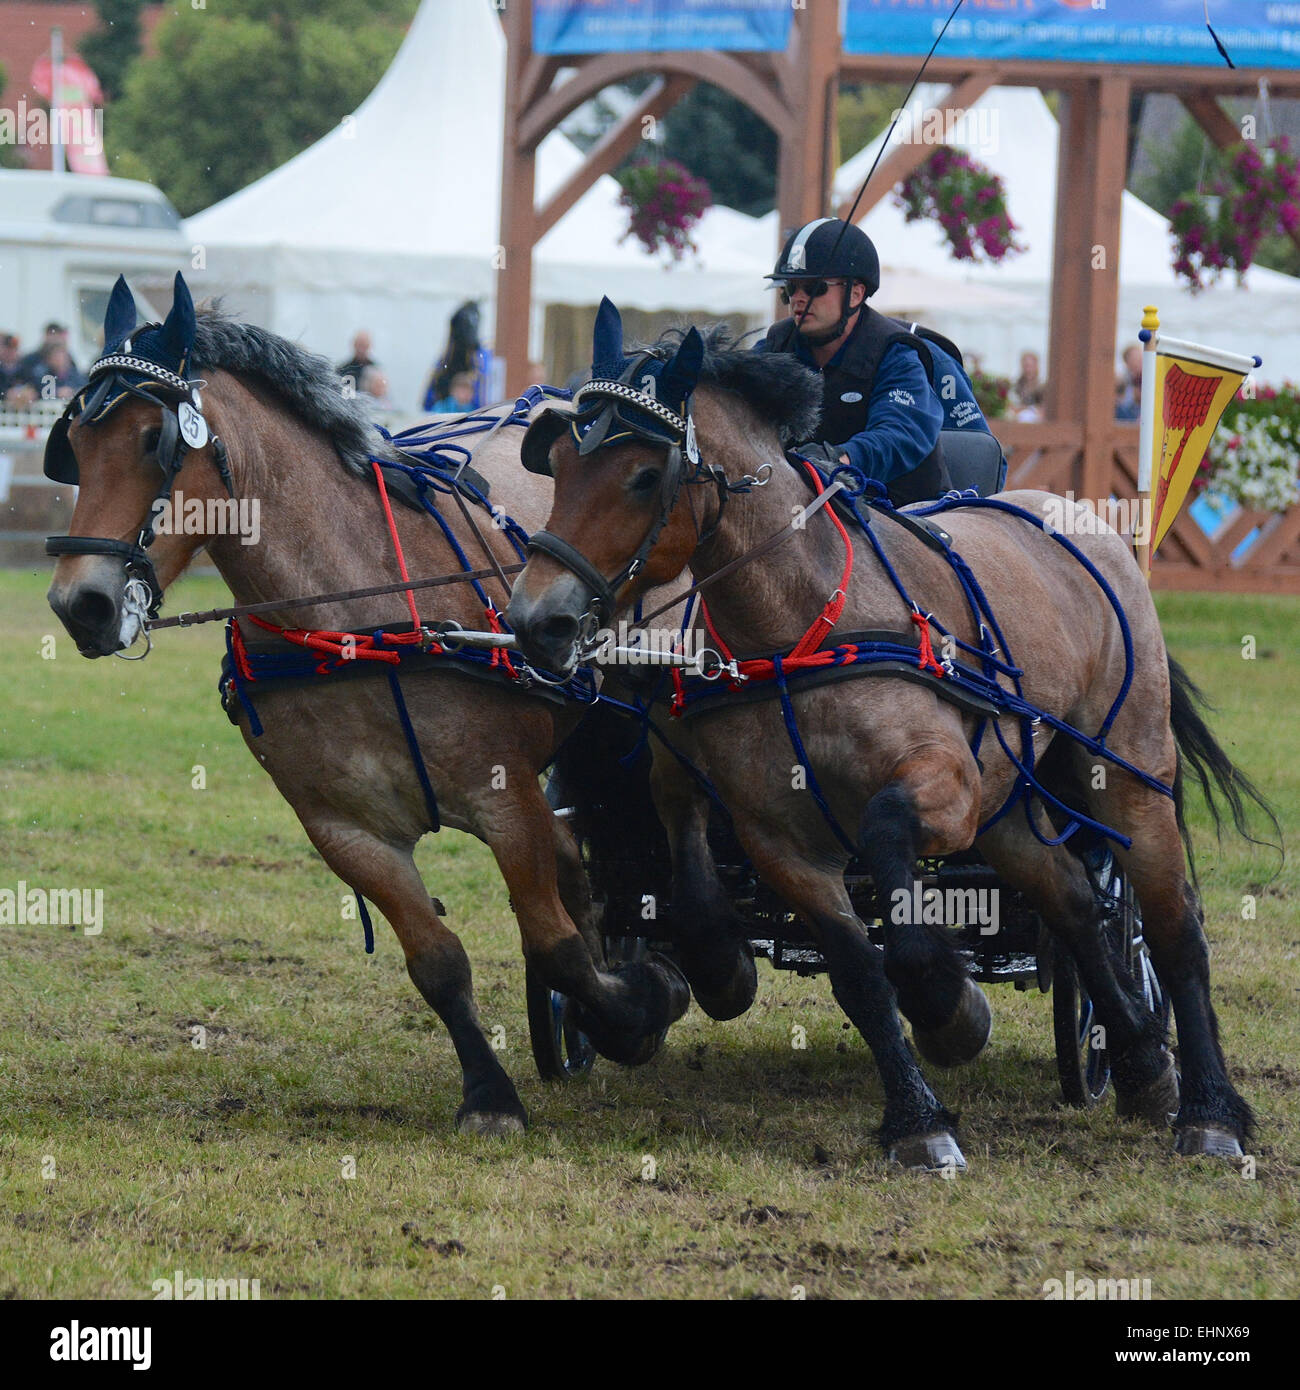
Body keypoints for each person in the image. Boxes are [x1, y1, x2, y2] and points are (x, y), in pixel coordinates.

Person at [757, 217, 988, 506]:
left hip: (903, 515)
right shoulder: (777, 346)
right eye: (790, 289)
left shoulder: (896, 353)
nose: (799, 299)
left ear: (856, 293)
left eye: (815, 288)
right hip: (806, 511)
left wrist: (838, 459)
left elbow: (900, 432)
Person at [423, 302, 493, 414]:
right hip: (446, 416)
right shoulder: (448, 359)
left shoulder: (481, 359)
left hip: (474, 417)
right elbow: (429, 404)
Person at [1115, 343, 1143, 421]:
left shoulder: (1149, 377)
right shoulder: (1125, 378)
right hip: (1129, 414)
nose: (1139, 361)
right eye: (1135, 359)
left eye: (1140, 358)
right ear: (1127, 363)